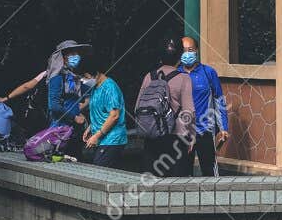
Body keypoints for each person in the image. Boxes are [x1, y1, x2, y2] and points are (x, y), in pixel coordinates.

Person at [137, 38, 196, 176]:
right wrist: (191, 136)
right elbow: (189, 111)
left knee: (151, 183)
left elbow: (138, 106)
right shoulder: (183, 78)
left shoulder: (149, 77)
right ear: (179, 57)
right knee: (175, 185)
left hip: (151, 137)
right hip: (175, 138)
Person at [179, 35, 229, 176]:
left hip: (205, 130)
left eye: (190, 50)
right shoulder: (176, 74)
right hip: (183, 132)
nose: (187, 53)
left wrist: (223, 127)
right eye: (184, 50)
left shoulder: (208, 73)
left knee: (210, 174)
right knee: (182, 175)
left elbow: (219, 100)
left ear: (196, 51)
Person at [47, 40, 92, 155]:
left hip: (74, 130)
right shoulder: (56, 78)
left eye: (76, 54)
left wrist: (80, 110)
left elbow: (89, 93)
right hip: (60, 130)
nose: (75, 57)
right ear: (63, 57)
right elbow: (54, 106)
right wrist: (74, 117)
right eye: (71, 54)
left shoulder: (74, 78)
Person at [81, 65, 128, 168]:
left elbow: (114, 116)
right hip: (102, 138)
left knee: (99, 171)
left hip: (112, 139)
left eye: (86, 77)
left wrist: (97, 136)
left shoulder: (110, 88)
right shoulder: (95, 88)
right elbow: (100, 111)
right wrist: (91, 127)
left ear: (96, 74)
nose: (84, 81)